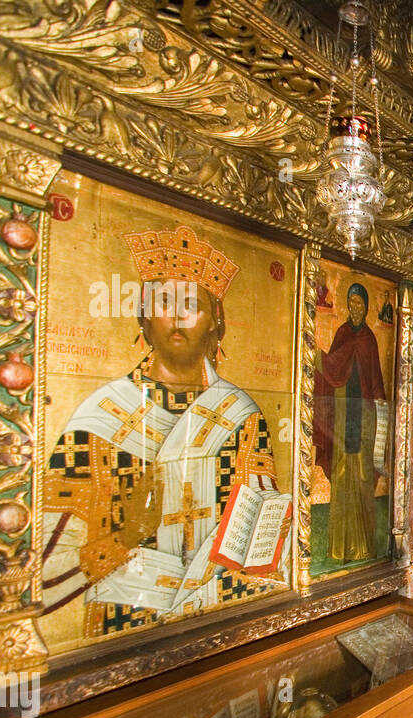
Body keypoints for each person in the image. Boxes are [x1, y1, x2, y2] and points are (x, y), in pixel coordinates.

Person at [42, 225, 282, 639]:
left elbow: (259, 537)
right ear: (144, 317)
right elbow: (43, 572)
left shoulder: (241, 416)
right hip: (125, 621)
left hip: (220, 614)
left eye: (192, 304)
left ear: (214, 323)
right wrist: (124, 536)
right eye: (164, 301)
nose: (176, 315)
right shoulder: (98, 421)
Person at [314, 282, 387, 563]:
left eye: (360, 303)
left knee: (363, 473)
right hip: (343, 415)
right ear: (348, 305)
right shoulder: (343, 334)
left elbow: (376, 378)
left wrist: (380, 401)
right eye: (352, 302)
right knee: (343, 473)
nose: (356, 307)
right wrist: (317, 357)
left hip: (365, 415)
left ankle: (364, 546)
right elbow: (332, 368)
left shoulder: (369, 338)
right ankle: (340, 548)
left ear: (366, 307)